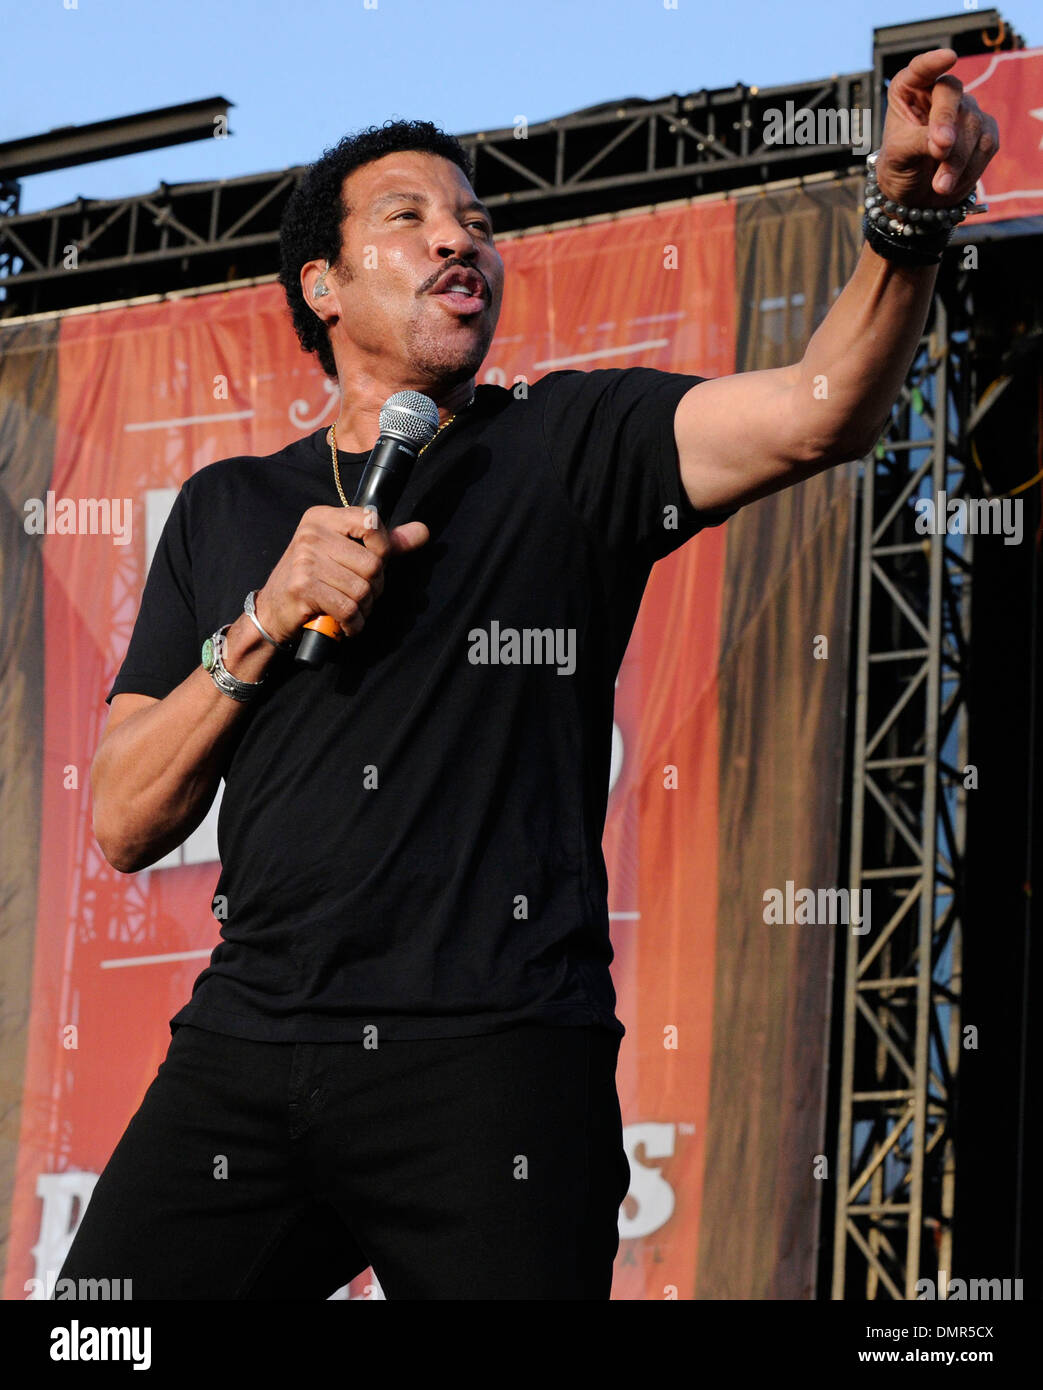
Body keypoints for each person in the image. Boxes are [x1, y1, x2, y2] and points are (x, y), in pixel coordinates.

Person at [59, 53, 998, 1299]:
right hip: (248, 1047)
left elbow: (815, 414)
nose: (459, 240)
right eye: (410, 217)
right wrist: (263, 619)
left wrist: (907, 218)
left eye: (478, 223)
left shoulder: (567, 444)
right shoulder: (228, 511)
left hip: (493, 1060)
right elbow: (125, 818)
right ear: (320, 285)